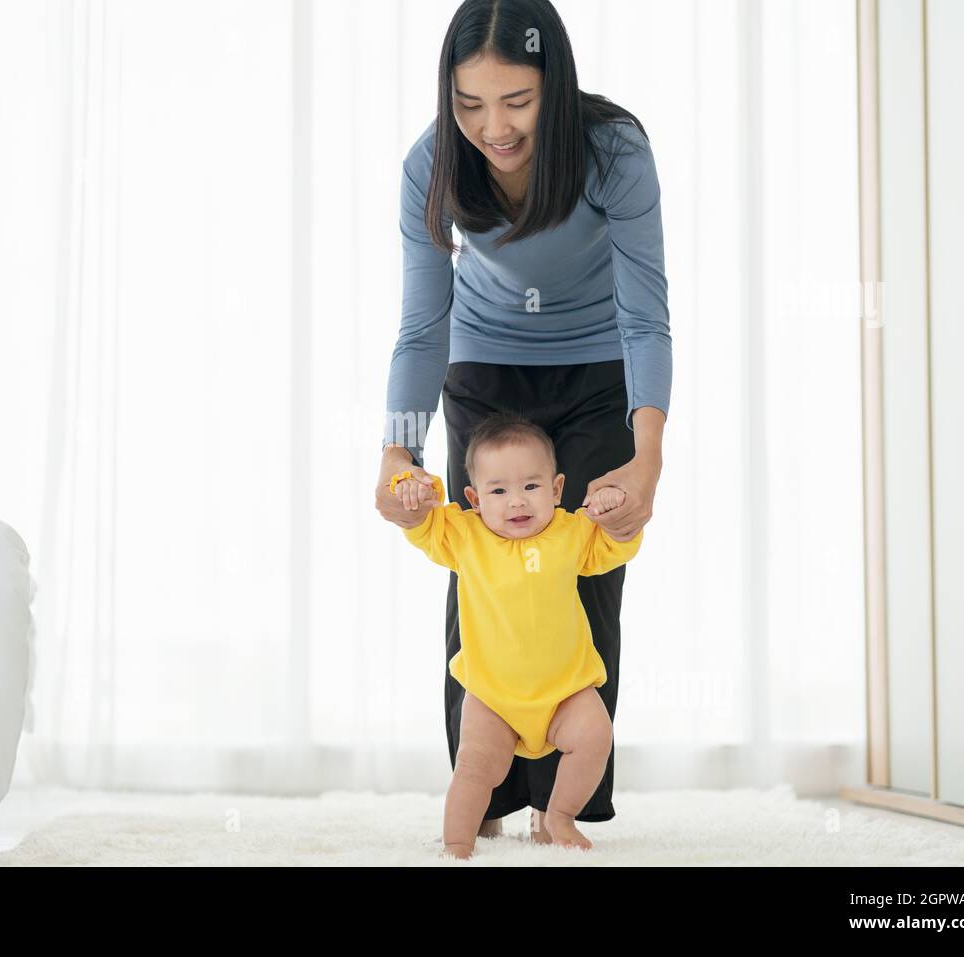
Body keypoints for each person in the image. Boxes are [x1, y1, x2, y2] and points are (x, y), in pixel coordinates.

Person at [375, 0, 671, 845]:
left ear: (557, 85)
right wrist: (398, 450)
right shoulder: (431, 164)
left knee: (587, 572)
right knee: (480, 576)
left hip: (596, 369)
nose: (493, 127)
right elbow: (421, 327)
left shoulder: (613, 152)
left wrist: (647, 454)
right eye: (470, 104)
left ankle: (563, 805)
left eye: (516, 101)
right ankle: (490, 798)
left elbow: (646, 316)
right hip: (484, 366)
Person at [389, 412, 638, 858]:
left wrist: (617, 510)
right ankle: (458, 842)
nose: (516, 502)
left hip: (566, 691)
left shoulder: (572, 532)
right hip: (492, 696)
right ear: (474, 498)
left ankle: (559, 813)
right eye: (498, 490)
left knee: (595, 737)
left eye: (531, 486)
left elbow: (613, 547)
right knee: (474, 767)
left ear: (557, 490)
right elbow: (420, 524)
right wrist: (410, 490)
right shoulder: (463, 535)